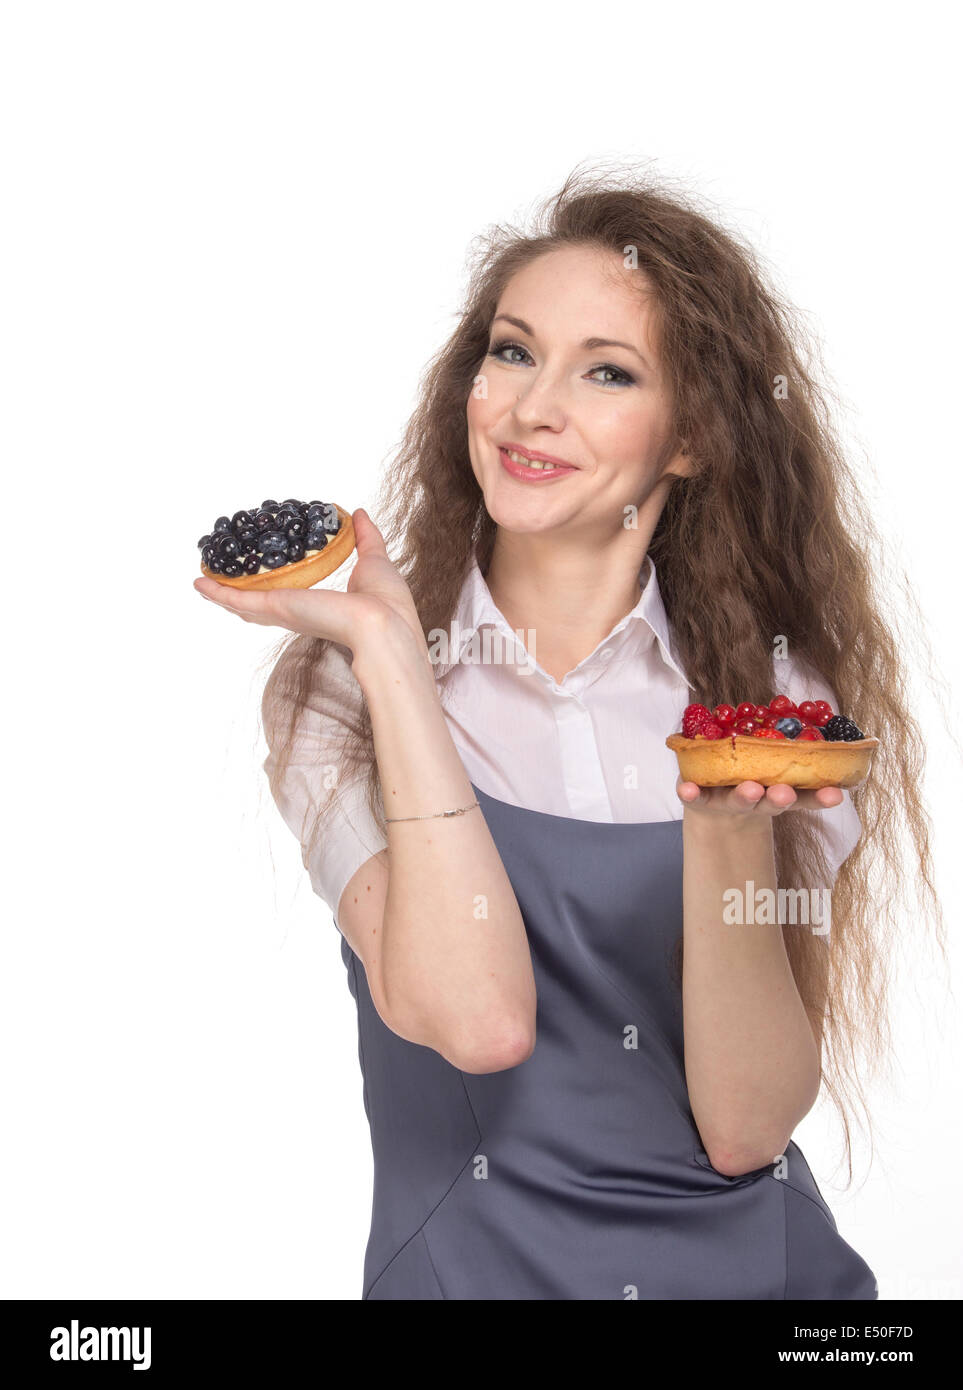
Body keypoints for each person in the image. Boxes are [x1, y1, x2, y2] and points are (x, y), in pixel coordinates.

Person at [195, 167, 941, 1300]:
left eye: (607, 371)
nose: (534, 406)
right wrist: (400, 666)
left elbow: (744, 1128)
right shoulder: (340, 697)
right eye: (511, 351)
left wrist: (728, 834)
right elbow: (477, 1019)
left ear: (688, 438)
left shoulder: (781, 709)